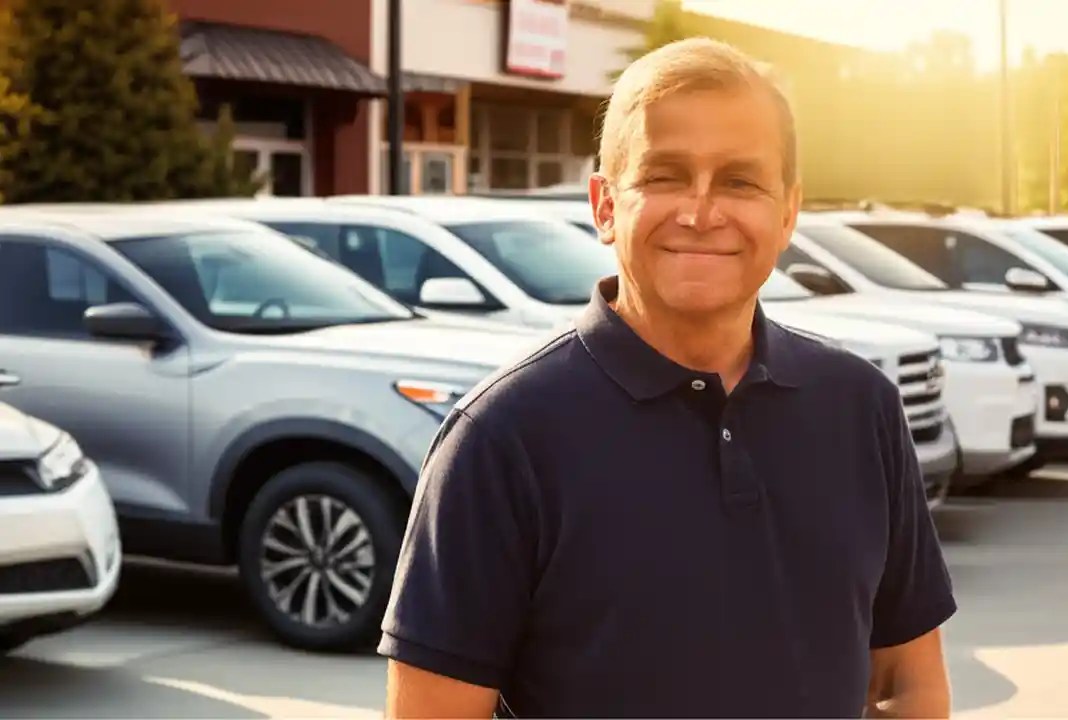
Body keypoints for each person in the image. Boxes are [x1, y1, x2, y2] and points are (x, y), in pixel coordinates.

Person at [380, 37, 956, 718]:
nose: (701, 211)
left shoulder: (860, 407)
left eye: (740, 181)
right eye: (664, 175)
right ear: (603, 205)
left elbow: (905, 681)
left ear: (789, 212)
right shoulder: (502, 437)